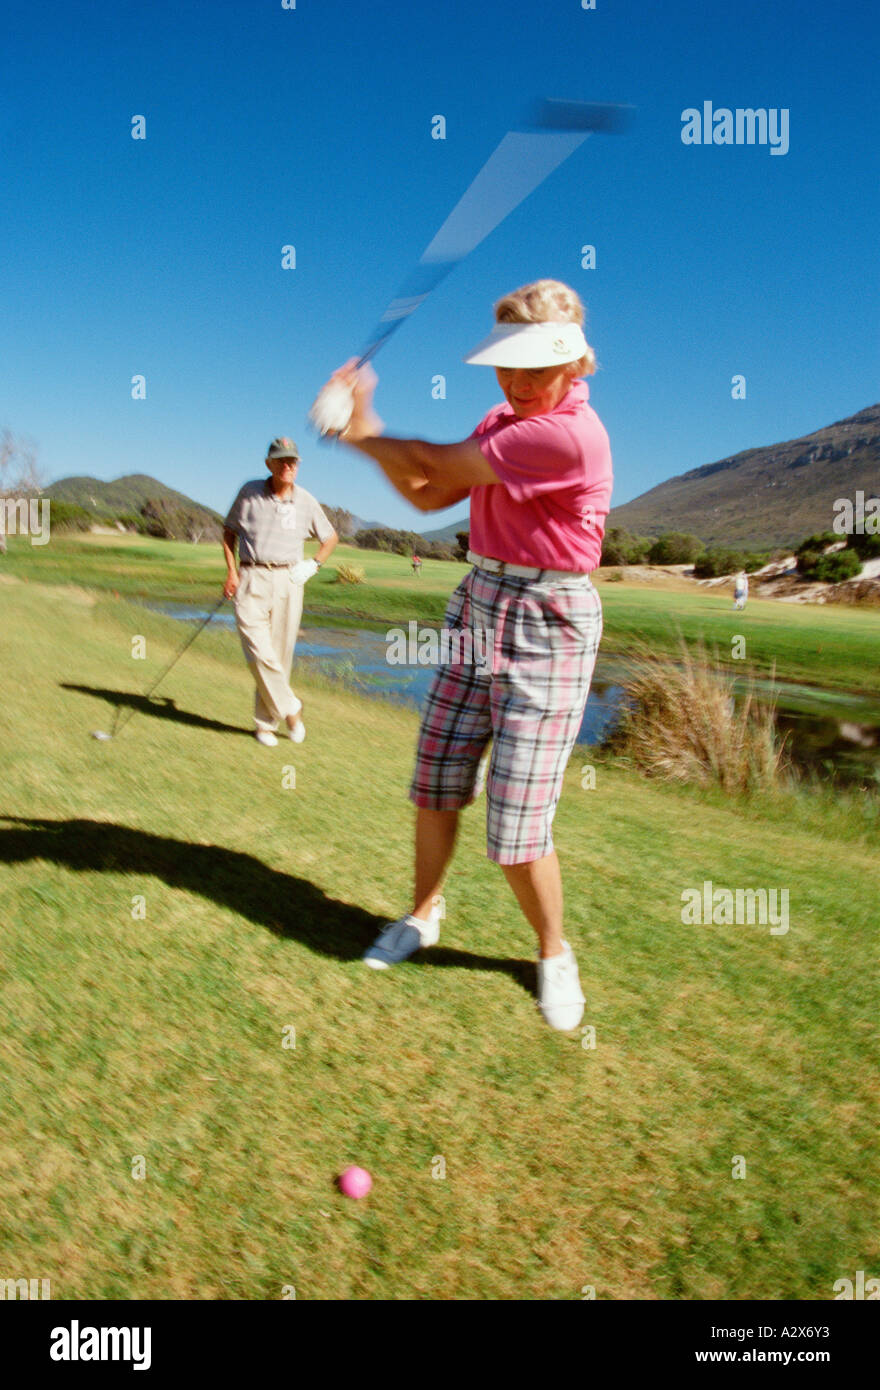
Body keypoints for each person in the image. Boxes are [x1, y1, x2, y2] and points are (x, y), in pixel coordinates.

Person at [318, 279, 612, 1031]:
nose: (515, 382)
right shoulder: (503, 416)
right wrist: (369, 425)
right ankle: (422, 914)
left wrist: (359, 430)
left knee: (517, 824)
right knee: (437, 776)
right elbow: (424, 495)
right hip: (480, 597)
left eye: (534, 367)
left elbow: (433, 462)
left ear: (574, 365)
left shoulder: (570, 435)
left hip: (548, 618)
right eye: (505, 366)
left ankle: (553, 952)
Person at [222, 437, 338, 747]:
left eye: (293, 461)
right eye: (281, 460)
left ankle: (265, 725)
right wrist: (232, 571)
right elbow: (228, 531)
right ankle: (292, 709)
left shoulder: (306, 501)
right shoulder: (249, 493)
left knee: (279, 654)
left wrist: (313, 565)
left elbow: (329, 537)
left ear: (298, 466)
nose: (288, 465)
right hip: (250, 576)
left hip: (289, 580)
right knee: (258, 650)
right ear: (269, 464)